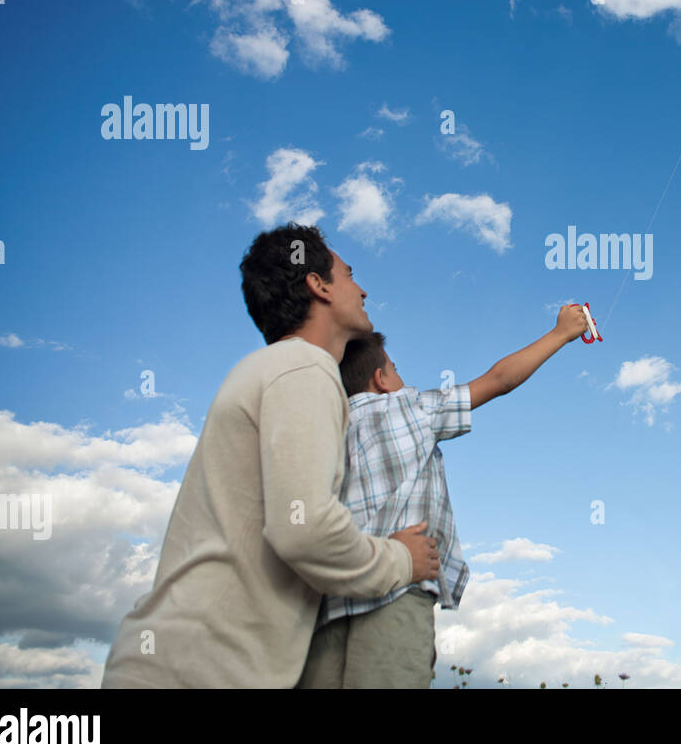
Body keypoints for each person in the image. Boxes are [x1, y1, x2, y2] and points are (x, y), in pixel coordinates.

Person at [101, 223, 440, 688]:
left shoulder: (273, 370)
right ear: (317, 285)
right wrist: (402, 559)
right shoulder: (303, 369)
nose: (363, 289)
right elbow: (305, 530)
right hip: (202, 672)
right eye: (348, 275)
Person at [297, 303, 590, 688]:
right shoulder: (409, 407)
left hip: (327, 606)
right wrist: (560, 334)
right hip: (397, 589)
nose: (402, 377)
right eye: (396, 368)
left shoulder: (328, 431)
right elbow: (499, 379)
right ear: (381, 379)